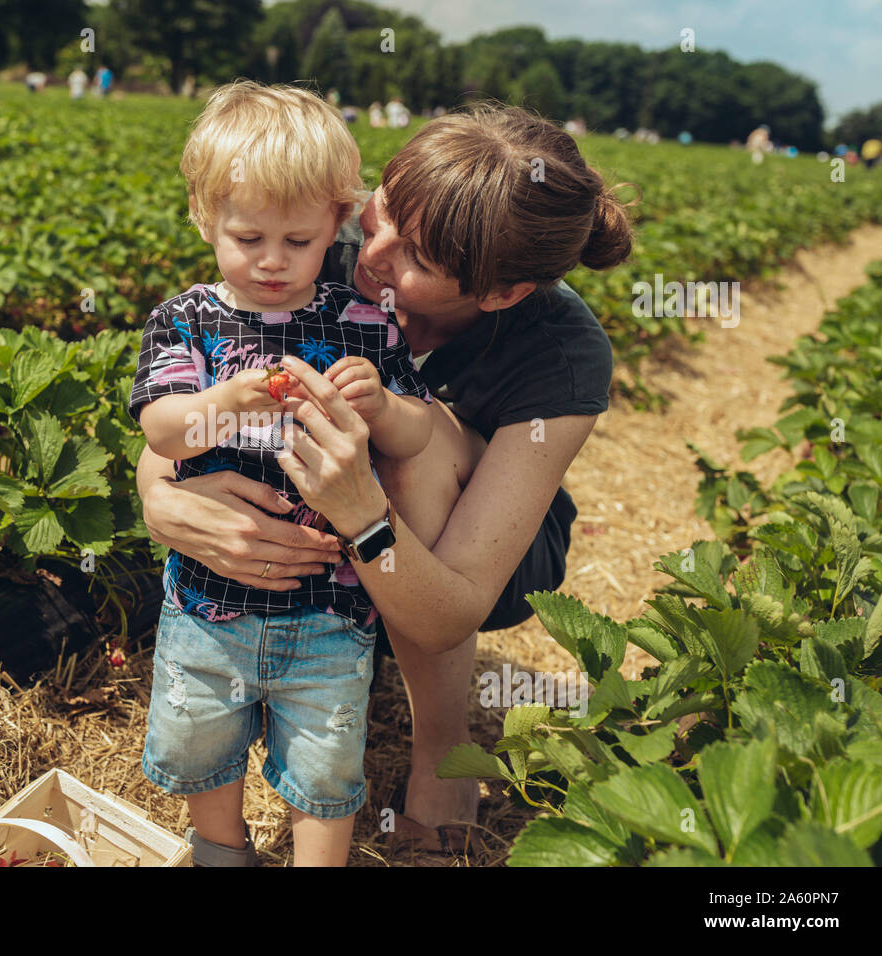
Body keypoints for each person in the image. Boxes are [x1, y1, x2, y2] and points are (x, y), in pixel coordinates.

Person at [136, 102, 634, 857]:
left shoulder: (562, 352)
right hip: (331, 512)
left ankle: (439, 742)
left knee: (415, 443)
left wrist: (361, 511)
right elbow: (195, 394)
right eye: (380, 215)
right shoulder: (319, 246)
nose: (372, 256)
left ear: (501, 294)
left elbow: (453, 609)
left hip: (479, 548)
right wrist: (161, 495)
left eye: (417, 260)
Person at [130, 81, 435, 867]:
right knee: (202, 740)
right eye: (247, 237)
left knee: (327, 761)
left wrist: (384, 409)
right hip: (207, 603)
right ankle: (220, 849)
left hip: (331, 607)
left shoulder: (364, 323)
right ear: (204, 218)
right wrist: (224, 400)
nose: (271, 260)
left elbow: (421, 428)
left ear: (337, 223)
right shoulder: (187, 320)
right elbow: (161, 428)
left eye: (297, 242)